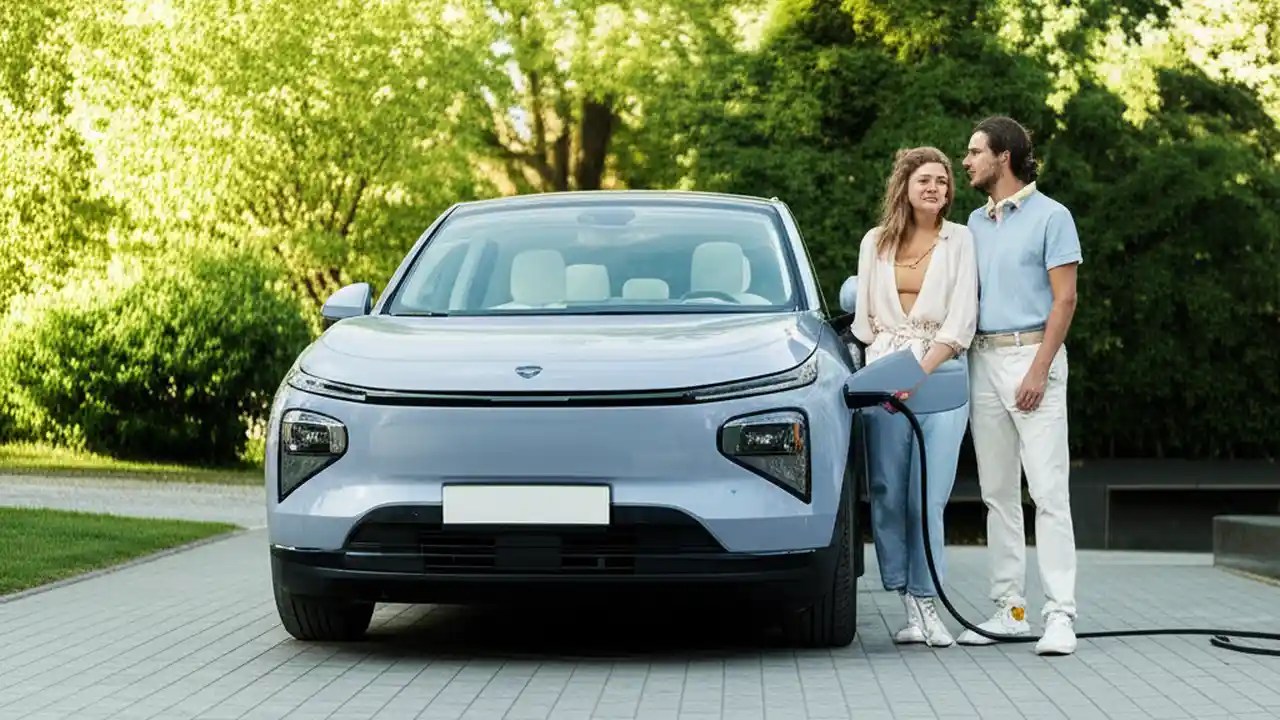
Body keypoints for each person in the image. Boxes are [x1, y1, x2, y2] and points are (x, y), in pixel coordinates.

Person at [957, 116, 1082, 656]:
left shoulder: (1053, 216)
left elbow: (1066, 300)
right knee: (997, 494)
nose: (967, 161)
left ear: (1003, 157)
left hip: (1034, 357)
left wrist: (1039, 368)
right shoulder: (973, 223)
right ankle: (1009, 609)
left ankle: (1060, 616)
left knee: (1048, 494)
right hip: (982, 361)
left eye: (974, 152)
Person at [852, 146, 979, 648]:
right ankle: (908, 603)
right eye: (925, 180)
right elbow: (863, 322)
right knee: (886, 493)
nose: (935, 189)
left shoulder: (960, 241)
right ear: (904, 185)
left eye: (943, 182)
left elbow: (961, 320)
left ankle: (930, 601)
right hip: (884, 375)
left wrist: (919, 371)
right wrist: (885, 371)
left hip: (940, 376)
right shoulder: (875, 243)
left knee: (926, 497)